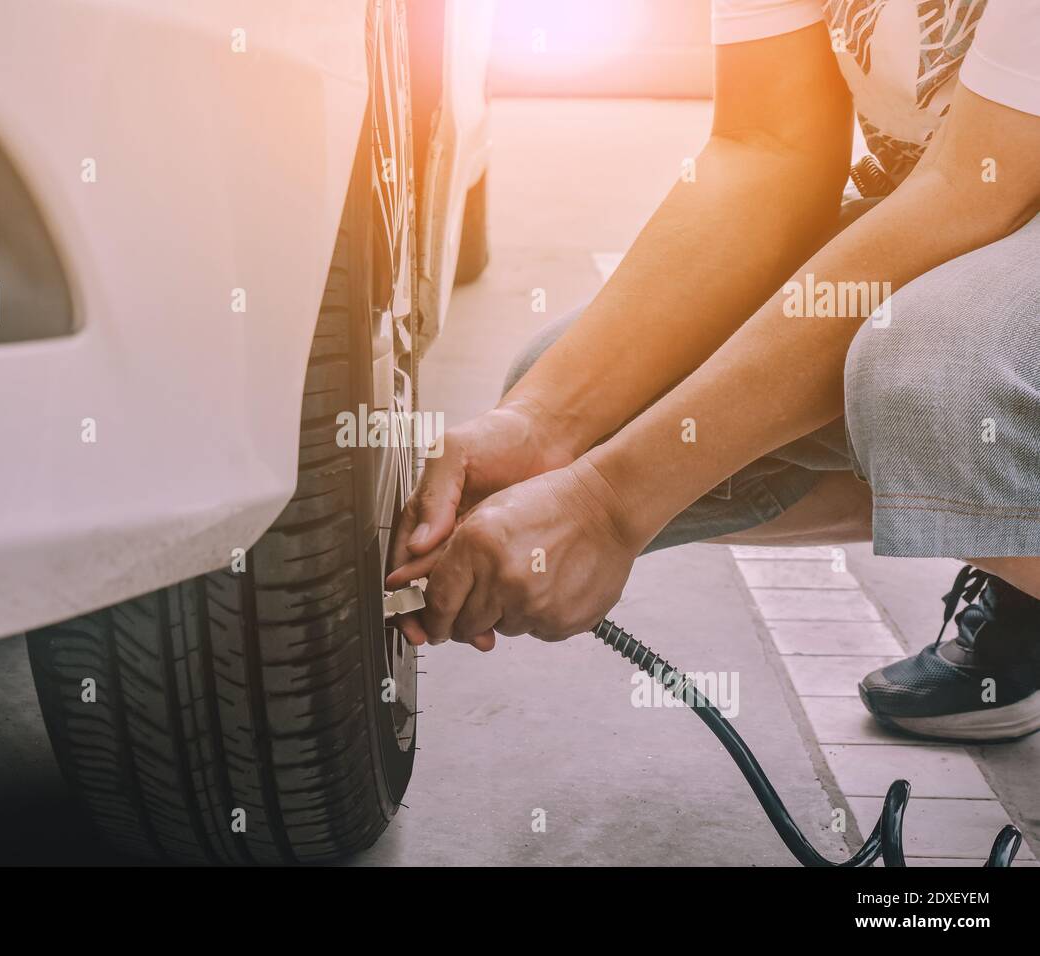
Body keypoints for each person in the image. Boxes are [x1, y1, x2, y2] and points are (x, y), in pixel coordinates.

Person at [386, 0, 1040, 742]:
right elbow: (770, 145)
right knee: (583, 402)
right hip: (978, 212)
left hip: (998, 204)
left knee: (935, 374)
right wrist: (544, 423)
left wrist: (610, 504)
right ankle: (1020, 555)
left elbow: (977, 190)